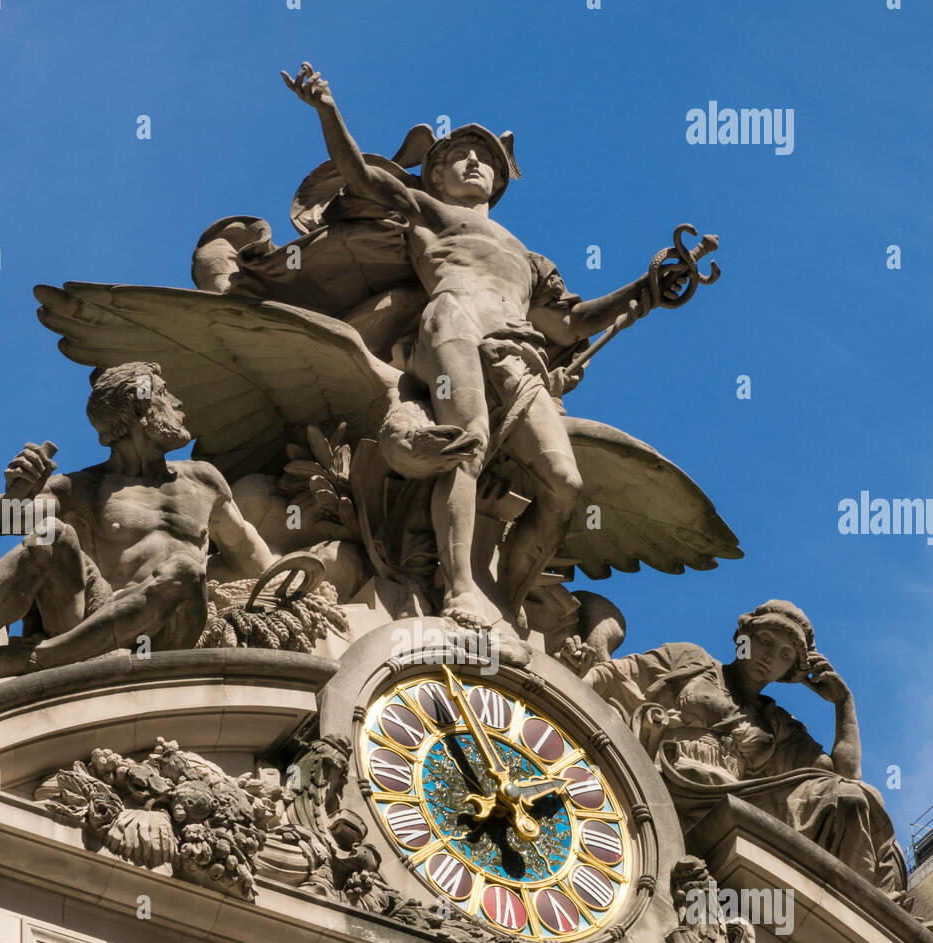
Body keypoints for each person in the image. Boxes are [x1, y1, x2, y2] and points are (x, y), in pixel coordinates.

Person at [282, 62, 689, 629]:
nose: (475, 163)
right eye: (459, 157)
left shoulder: (528, 257)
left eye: (487, 161)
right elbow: (363, 178)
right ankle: (460, 588)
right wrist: (328, 110)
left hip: (518, 350)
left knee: (564, 484)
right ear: (435, 175)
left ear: (500, 182)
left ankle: (508, 599)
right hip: (453, 323)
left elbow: (570, 324)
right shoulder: (429, 212)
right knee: (466, 444)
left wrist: (642, 290)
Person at [0, 361, 275, 679]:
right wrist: (17, 491)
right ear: (140, 409)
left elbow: (252, 557)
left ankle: (34, 658)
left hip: (169, 635)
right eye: (165, 393)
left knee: (186, 569)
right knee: (50, 534)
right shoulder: (82, 488)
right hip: (87, 625)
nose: (178, 403)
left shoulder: (204, 481)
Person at [586, 599, 905, 894]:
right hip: (670, 780)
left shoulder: (779, 724)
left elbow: (847, 776)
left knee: (854, 798)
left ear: (791, 671)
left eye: (785, 655)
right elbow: (611, 676)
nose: (769, 658)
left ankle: (850, 910)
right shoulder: (689, 660)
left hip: (737, 804)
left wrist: (843, 703)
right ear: (744, 637)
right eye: (766, 641)